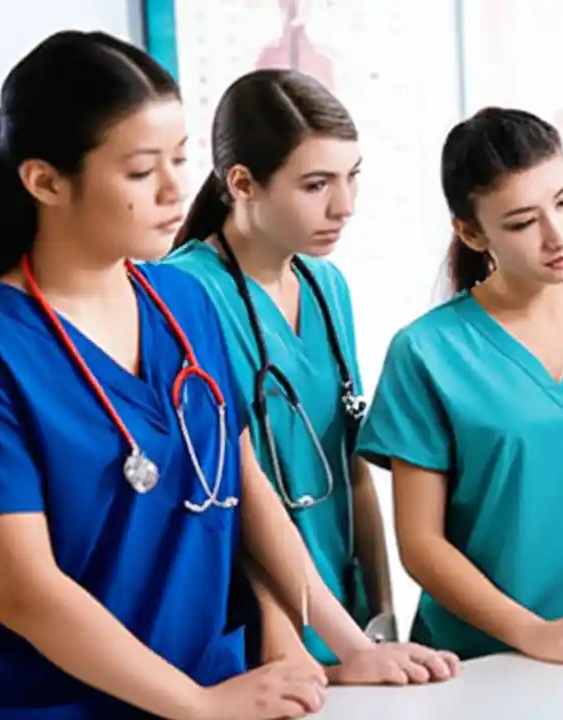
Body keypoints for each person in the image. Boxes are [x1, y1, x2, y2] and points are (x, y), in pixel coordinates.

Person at [0, 31, 452, 719]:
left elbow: (249, 489)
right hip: (60, 705)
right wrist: (196, 704)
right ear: (45, 181)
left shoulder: (183, 303)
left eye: (180, 159)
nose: (175, 189)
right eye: (142, 172)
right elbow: (23, 590)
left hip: (213, 685)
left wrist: (352, 647)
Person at [355, 107, 563, 663]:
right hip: (481, 662)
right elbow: (420, 543)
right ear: (471, 232)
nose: (557, 235)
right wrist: (533, 633)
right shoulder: (427, 352)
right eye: (521, 223)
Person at [164, 67, 398, 670]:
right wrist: (319, 640)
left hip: (343, 624)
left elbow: (353, 466)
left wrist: (380, 619)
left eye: (352, 176)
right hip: (258, 639)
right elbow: (231, 490)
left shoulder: (327, 286)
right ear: (242, 183)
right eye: (316, 184)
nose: (345, 206)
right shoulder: (180, 294)